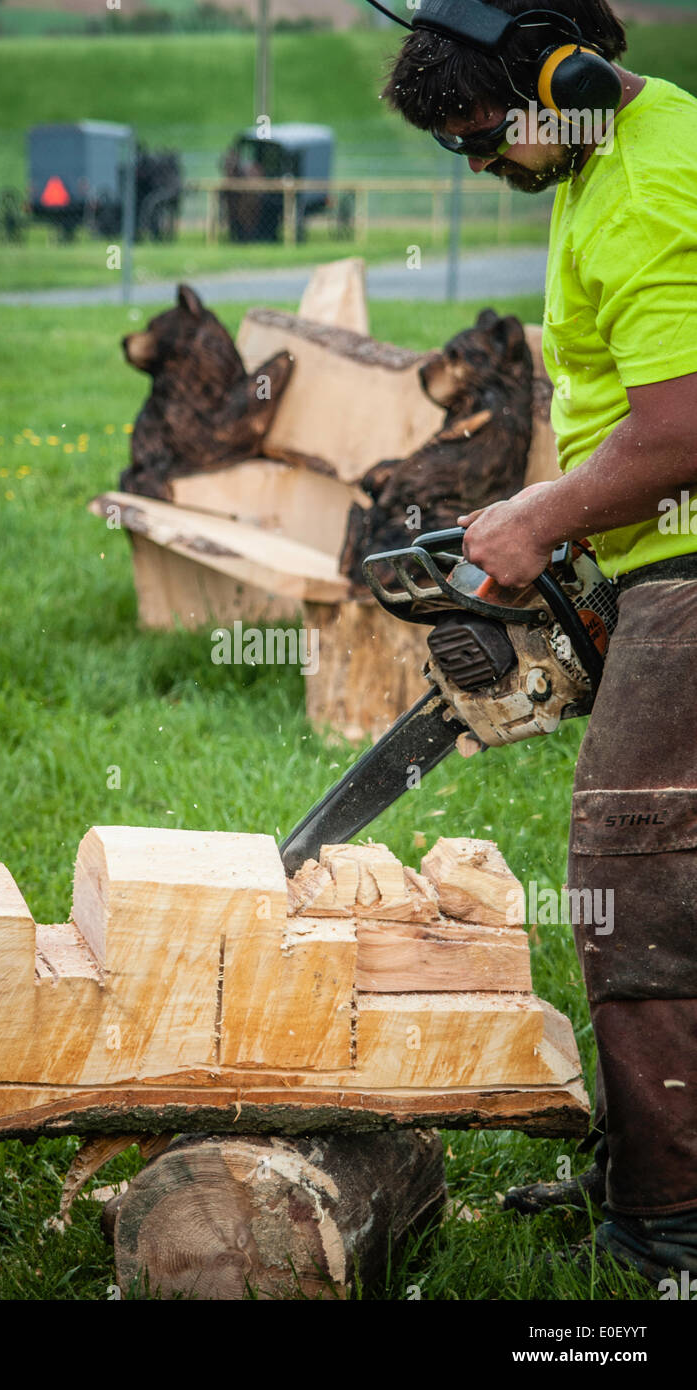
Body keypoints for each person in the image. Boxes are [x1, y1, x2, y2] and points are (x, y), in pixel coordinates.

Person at [381, 0, 697, 1283]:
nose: (482, 167)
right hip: (655, 550)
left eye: (479, 138)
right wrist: (557, 531)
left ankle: (665, 1219)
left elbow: (681, 433)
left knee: (630, 877)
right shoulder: (601, 155)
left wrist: (540, 513)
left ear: (558, 76)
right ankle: (650, 1156)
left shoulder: (651, 185)